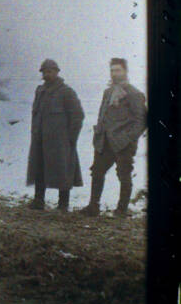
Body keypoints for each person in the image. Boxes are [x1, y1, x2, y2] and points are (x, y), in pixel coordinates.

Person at [80, 58, 147, 217]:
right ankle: (93, 206)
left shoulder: (134, 94)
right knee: (97, 172)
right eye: (112, 70)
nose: (114, 73)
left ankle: (121, 210)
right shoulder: (108, 92)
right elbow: (103, 114)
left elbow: (142, 120)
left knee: (123, 175)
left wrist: (128, 138)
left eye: (118, 70)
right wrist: (99, 132)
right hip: (104, 141)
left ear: (125, 71)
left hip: (123, 143)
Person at [25, 59, 85, 212]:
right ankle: (39, 201)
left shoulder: (66, 92)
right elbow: (36, 114)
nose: (47, 74)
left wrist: (71, 138)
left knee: (63, 171)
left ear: (57, 72)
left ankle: (63, 205)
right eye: (44, 71)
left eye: (50, 71)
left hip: (60, 143)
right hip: (40, 140)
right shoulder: (40, 91)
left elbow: (78, 116)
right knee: (39, 169)